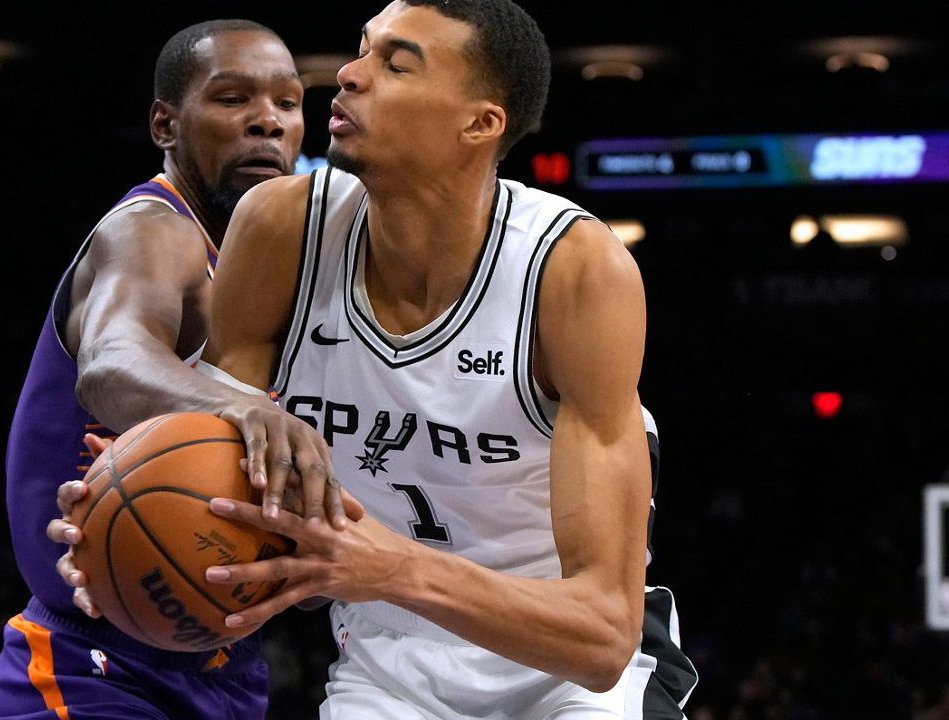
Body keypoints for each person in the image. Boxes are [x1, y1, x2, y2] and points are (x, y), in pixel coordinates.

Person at [51, 1, 699, 716]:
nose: (350, 77)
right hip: (387, 664)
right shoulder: (280, 229)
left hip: (564, 672)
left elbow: (603, 637)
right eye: (360, 53)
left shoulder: (572, 271)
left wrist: (394, 567)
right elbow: (224, 464)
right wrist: (123, 505)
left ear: (479, 124)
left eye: (395, 64)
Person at [0, 19, 347, 720]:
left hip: (226, 666)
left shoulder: (272, 274)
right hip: (92, 667)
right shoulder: (152, 228)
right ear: (166, 123)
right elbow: (113, 362)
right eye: (233, 98)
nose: (266, 123)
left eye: (286, 102)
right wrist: (243, 408)